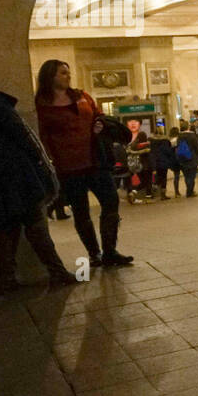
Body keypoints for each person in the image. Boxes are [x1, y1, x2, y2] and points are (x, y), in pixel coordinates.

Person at [0, 68, 76, 292]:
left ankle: (6, 279)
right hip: (19, 176)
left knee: (8, 229)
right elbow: (24, 136)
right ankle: (57, 272)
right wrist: (42, 165)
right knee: (35, 227)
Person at [34, 59, 133, 268]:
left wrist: (99, 123)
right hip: (68, 167)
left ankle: (109, 250)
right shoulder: (41, 104)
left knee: (111, 202)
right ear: (50, 76)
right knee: (81, 211)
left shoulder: (82, 96)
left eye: (68, 73)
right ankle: (94, 253)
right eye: (62, 73)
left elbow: (99, 115)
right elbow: (42, 136)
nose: (67, 76)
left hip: (95, 161)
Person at [172, 125, 198, 197]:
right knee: (192, 176)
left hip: (183, 158)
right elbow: (197, 147)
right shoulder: (192, 136)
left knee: (186, 176)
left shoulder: (179, 137)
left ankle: (189, 190)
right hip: (192, 158)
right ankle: (189, 192)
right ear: (188, 128)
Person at [149, 127, 176, 199]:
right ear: (162, 132)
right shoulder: (165, 141)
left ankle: (153, 193)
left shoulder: (151, 142)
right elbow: (168, 152)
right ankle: (163, 195)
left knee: (155, 178)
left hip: (155, 163)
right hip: (164, 162)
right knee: (163, 178)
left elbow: (151, 153)